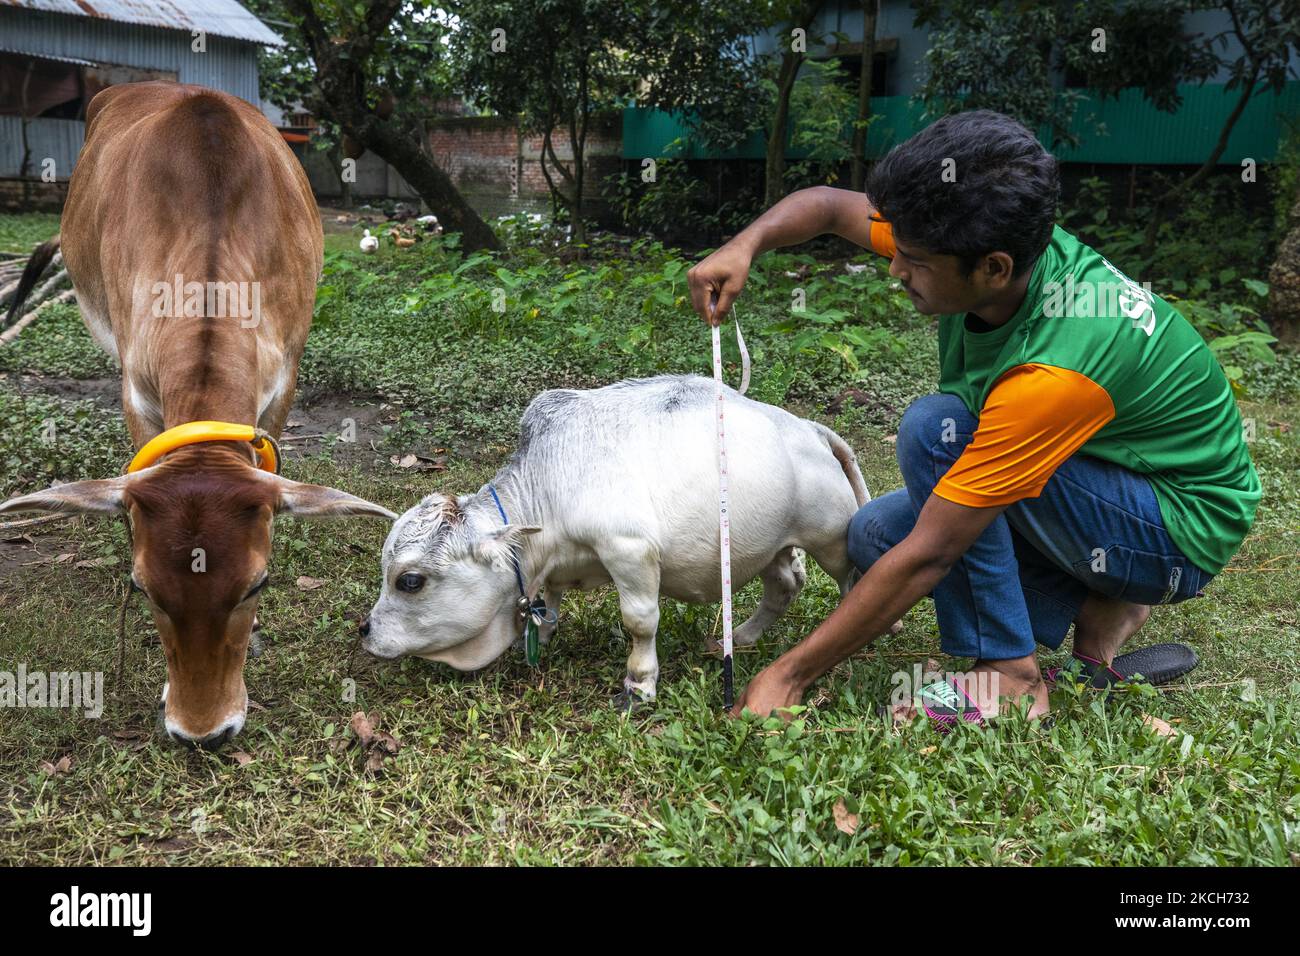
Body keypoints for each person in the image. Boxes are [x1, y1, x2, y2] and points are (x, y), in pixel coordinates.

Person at [685, 110, 1260, 727]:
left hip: (1176, 527)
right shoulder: (969, 236)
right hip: (1105, 482)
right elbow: (825, 206)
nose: (894, 269)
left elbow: (936, 553)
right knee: (875, 536)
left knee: (938, 432)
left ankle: (1010, 675)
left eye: (912, 260)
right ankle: (1103, 598)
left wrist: (789, 674)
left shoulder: (1053, 370)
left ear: (993, 268)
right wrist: (744, 244)